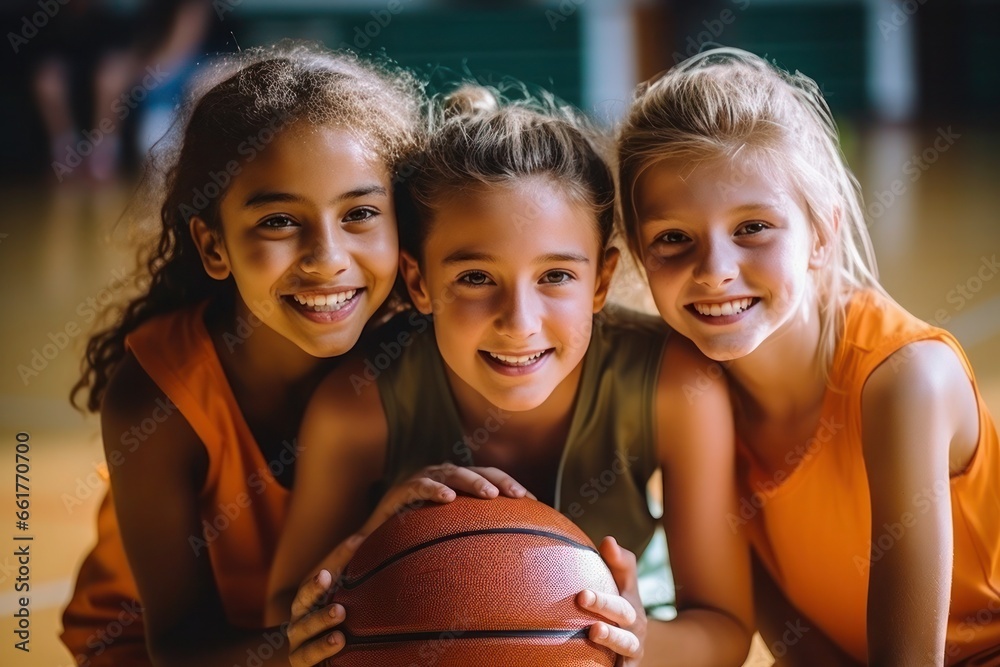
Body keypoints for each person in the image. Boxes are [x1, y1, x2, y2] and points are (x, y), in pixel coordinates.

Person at [267, 85, 754, 667]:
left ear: (601, 281)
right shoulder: (358, 405)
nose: (519, 323)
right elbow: (280, 617)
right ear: (419, 284)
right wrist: (367, 542)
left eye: (555, 276)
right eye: (475, 278)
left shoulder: (675, 386)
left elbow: (724, 630)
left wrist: (640, 641)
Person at [617, 47, 1000, 665]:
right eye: (673, 239)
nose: (715, 271)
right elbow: (798, 647)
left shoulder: (904, 382)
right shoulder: (691, 402)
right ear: (639, 258)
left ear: (821, 235)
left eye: (752, 228)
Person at [61, 42, 424, 666]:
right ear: (213, 246)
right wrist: (295, 648)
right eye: (280, 221)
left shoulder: (423, 351)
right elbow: (177, 645)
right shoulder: (157, 395)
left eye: (361, 213)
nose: (326, 257)